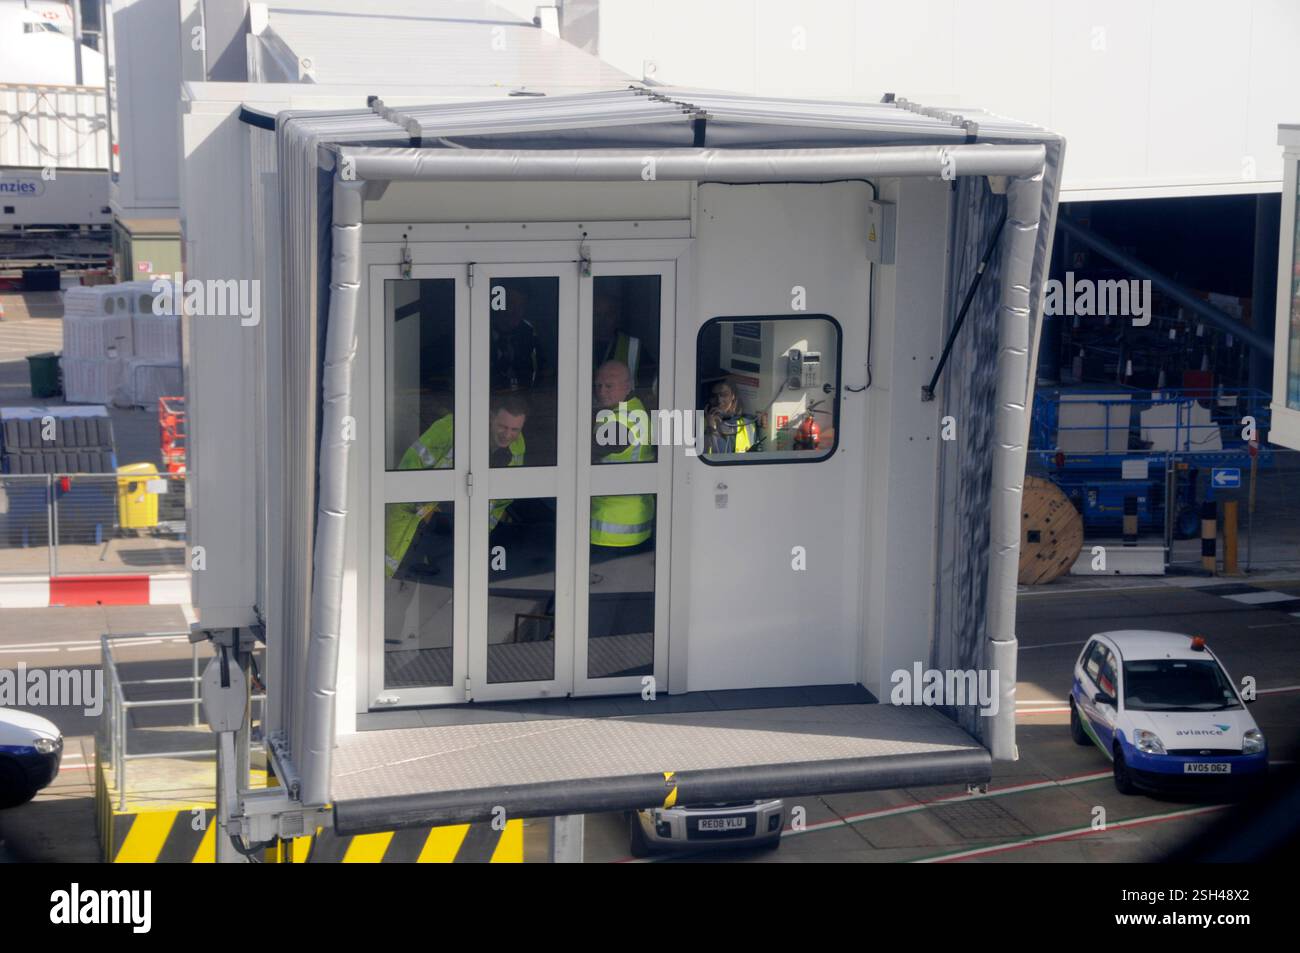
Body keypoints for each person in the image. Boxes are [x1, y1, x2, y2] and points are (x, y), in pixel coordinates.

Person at [591, 360, 655, 549]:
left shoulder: (621, 422)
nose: (602, 391)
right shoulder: (634, 408)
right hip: (633, 520)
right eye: (598, 385)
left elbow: (580, 453)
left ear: (627, 386)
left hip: (610, 529)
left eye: (609, 386)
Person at [490, 284, 540, 392]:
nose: (516, 311)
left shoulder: (528, 333)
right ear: (498, 305)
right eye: (511, 304)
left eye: (521, 306)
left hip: (522, 401)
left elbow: (543, 371)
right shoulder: (479, 332)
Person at [703, 380, 759, 455]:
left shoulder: (748, 425)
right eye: (714, 396)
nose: (719, 400)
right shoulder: (702, 423)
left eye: (724, 395)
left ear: (733, 396)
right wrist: (710, 428)